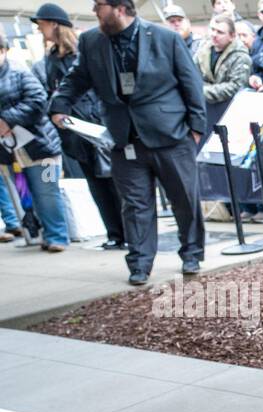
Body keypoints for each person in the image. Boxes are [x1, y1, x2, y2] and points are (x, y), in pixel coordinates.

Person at [50, 0, 207, 284]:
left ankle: (192, 254)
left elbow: (191, 82)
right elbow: (77, 79)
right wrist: (59, 105)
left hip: (171, 135)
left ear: (120, 9)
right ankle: (139, 264)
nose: (95, 11)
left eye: (99, 5)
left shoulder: (165, 38)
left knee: (184, 199)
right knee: (135, 205)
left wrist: (196, 128)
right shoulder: (91, 41)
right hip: (123, 138)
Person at [30, 3, 125, 251]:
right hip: (73, 133)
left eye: (42, 25)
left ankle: (128, 233)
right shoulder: (50, 60)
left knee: (113, 182)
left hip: (95, 127)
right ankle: (114, 233)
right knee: (96, 185)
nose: (40, 30)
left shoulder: (82, 52)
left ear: (53, 24)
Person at [0, 34, 70, 252]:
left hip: (43, 149)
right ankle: (40, 234)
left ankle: (58, 236)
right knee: (25, 194)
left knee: (48, 191)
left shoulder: (20, 73)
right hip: (11, 154)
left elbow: (38, 101)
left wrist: (7, 120)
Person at [196, 14, 252, 106]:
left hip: (230, 107)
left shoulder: (241, 57)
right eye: (212, 29)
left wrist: (202, 91)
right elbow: (192, 75)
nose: (214, 34)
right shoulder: (203, 50)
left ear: (232, 36)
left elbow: (236, 87)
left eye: (220, 32)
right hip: (204, 105)